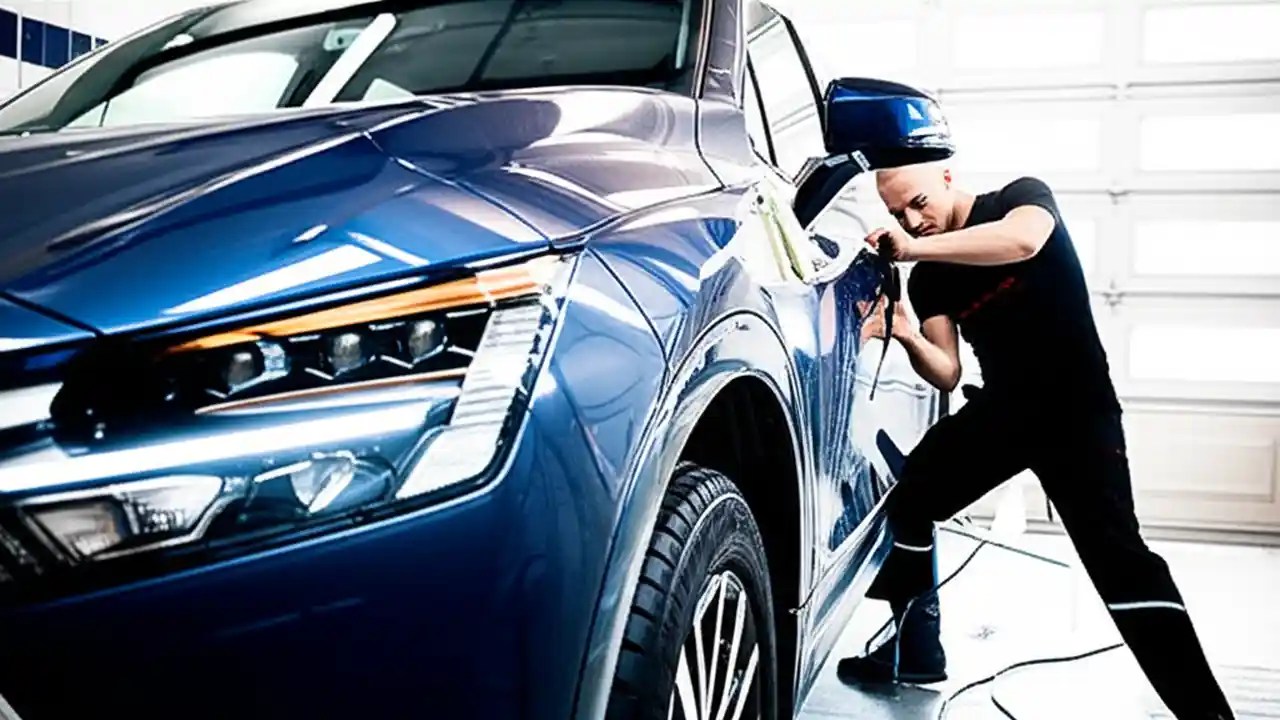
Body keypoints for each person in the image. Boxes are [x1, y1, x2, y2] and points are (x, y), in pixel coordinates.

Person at [836, 163, 1235, 720]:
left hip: (1078, 413)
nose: (912, 220)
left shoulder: (1019, 200)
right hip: (1005, 413)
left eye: (919, 203)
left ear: (947, 177)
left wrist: (912, 248)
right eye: (898, 213)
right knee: (912, 497)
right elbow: (947, 371)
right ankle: (916, 650)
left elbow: (1024, 242)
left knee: (1122, 564)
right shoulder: (929, 276)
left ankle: (1207, 713)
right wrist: (905, 335)